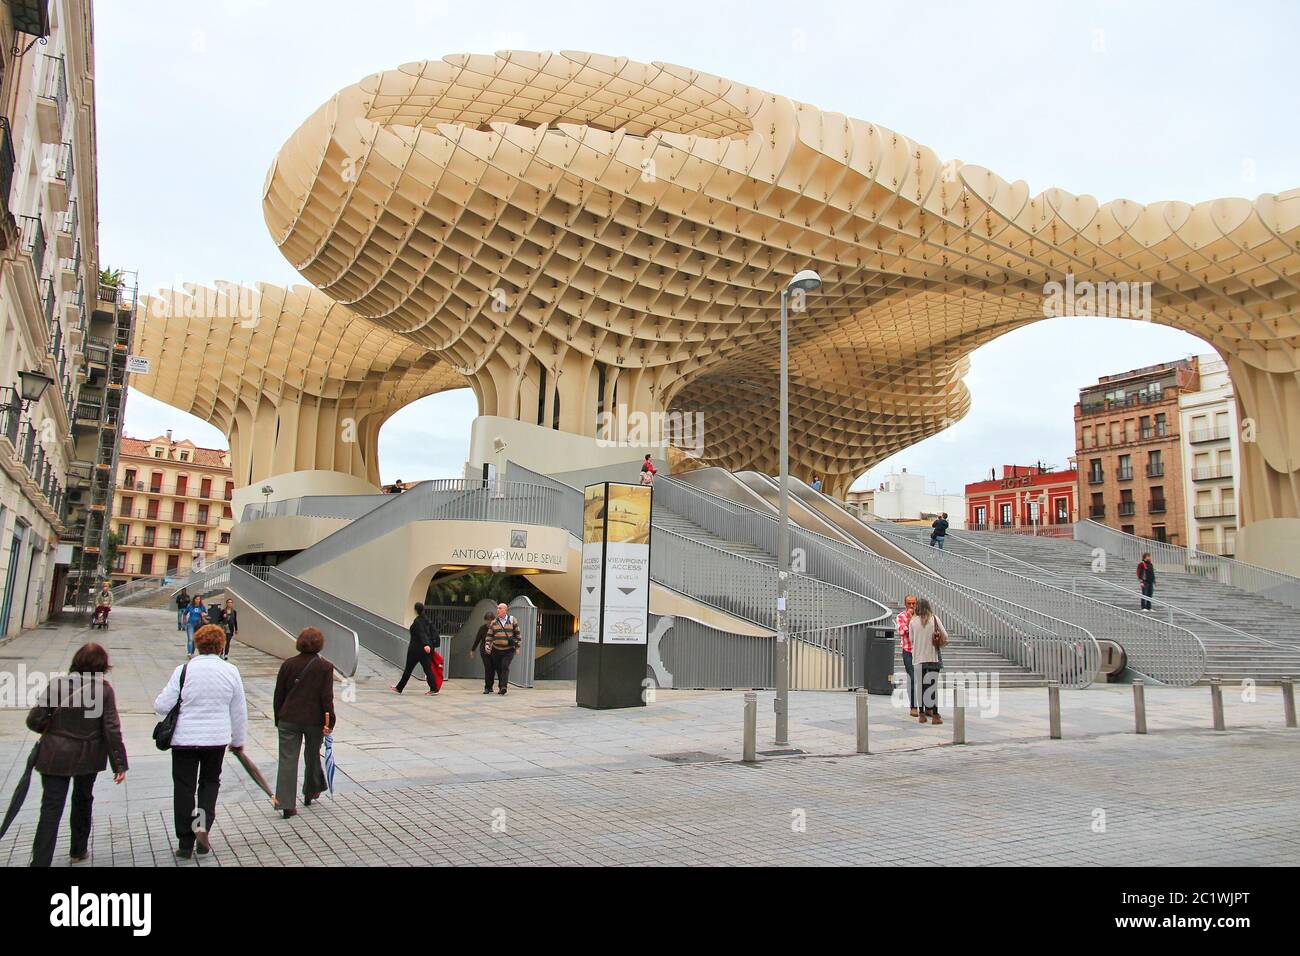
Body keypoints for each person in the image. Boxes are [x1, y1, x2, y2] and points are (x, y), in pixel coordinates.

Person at [25, 643, 128, 867]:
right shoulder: (104, 690)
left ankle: (40, 861)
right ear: (102, 666)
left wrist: (53, 729)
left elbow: (34, 720)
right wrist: (119, 765)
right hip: (88, 755)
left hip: (54, 754)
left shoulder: (57, 684)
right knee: (83, 799)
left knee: (51, 807)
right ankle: (78, 850)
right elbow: (111, 729)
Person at [153, 624, 247, 859]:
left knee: (184, 786)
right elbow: (239, 710)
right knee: (209, 782)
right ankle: (202, 825)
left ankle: (185, 841)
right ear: (221, 645)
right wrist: (238, 740)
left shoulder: (183, 670)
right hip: (215, 738)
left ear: (197, 644)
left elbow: (161, 705)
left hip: (184, 738)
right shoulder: (231, 671)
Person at [273, 627, 336, 819]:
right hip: (314, 720)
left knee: (287, 760)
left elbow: (279, 694)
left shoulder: (288, 664)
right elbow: (327, 697)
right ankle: (310, 791)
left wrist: (278, 717)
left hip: (289, 719)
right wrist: (330, 721)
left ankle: (286, 804)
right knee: (312, 755)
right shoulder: (325, 667)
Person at [909, 598, 948, 725]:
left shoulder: (913, 622)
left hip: (918, 658)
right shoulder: (935, 619)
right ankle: (935, 715)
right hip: (932, 657)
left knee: (920, 686)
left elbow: (911, 639)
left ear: (917, 607)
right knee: (932, 687)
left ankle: (921, 714)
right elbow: (945, 636)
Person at [392, 602, 437, 695]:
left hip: (416, 650)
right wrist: (430, 645)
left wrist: (425, 644)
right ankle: (434, 688)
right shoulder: (427, 620)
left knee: (408, 669)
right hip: (426, 651)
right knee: (428, 669)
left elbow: (421, 633)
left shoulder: (418, 622)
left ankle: (399, 688)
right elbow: (433, 633)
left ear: (416, 610)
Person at [486, 602, 522, 695]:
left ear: (505, 610)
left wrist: (517, 647)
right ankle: (501, 686)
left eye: (500, 608)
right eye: (497, 608)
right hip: (496, 649)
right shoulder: (494, 622)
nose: (497, 610)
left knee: (505, 666)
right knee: (498, 668)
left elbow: (518, 634)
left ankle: (503, 687)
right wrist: (487, 645)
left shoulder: (512, 620)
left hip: (508, 650)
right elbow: (489, 635)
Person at [896, 594, 918, 717]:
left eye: (913, 603)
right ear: (905, 604)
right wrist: (910, 622)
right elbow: (901, 631)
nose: (911, 606)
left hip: (920, 652)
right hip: (908, 651)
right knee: (912, 677)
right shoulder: (901, 616)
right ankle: (913, 706)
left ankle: (926, 706)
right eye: (909, 603)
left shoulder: (920, 616)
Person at [469, 611, 496, 695]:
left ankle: (491, 685)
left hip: (494, 650)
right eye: (487, 620)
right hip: (484, 650)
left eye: (490, 620)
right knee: (488, 667)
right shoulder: (482, 628)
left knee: (493, 668)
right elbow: (477, 640)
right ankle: (487, 687)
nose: (489, 622)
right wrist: (472, 650)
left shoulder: (497, 628)